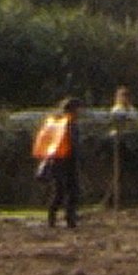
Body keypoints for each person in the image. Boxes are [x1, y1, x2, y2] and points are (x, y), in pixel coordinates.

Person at [35, 97, 83, 228]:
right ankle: (69, 219)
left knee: (60, 191)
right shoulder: (69, 124)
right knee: (71, 190)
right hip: (67, 160)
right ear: (73, 110)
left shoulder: (55, 122)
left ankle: (53, 217)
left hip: (56, 160)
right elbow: (74, 144)